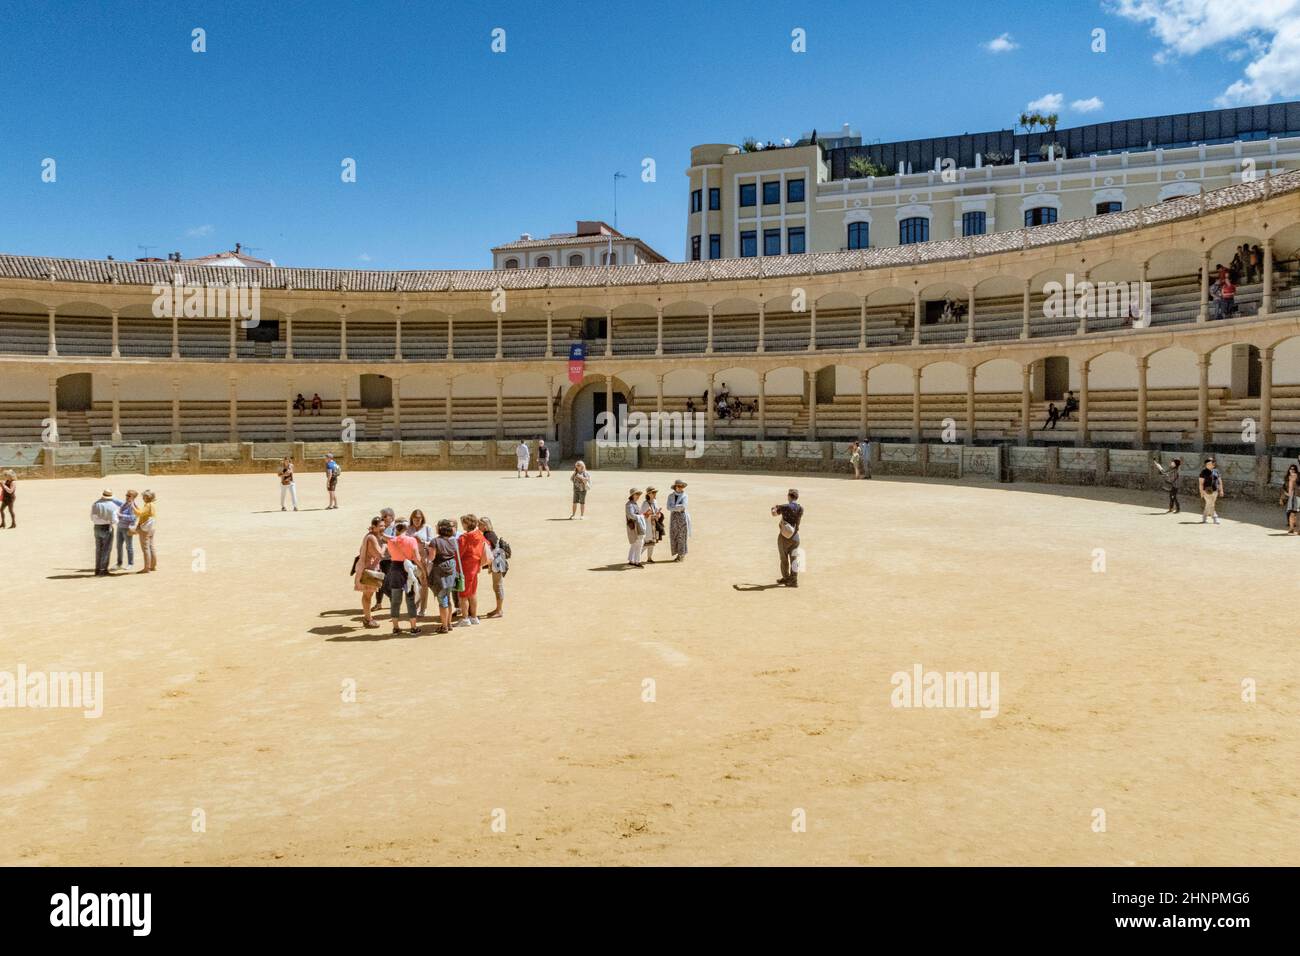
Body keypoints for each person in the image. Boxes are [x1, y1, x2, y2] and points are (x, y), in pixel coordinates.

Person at [383, 519, 422, 636]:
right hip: (408, 569)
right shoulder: (412, 540)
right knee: (410, 599)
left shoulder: (391, 541)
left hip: (395, 569)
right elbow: (416, 557)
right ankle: (413, 627)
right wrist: (422, 569)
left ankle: (395, 628)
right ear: (406, 529)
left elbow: (388, 546)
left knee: (395, 600)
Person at [353, 516, 384, 629]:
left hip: (365, 568)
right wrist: (385, 545)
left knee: (367, 595)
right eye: (380, 526)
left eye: (383, 526)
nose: (383, 528)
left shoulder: (369, 536)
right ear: (374, 527)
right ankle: (368, 619)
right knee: (368, 595)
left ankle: (367, 617)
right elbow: (380, 554)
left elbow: (361, 550)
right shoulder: (372, 538)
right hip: (369, 570)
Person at [429, 519, 460, 634]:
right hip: (451, 571)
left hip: (440, 573)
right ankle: (449, 624)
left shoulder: (435, 541)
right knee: (448, 598)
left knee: (443, 601)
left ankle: (444, 626)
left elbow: (431, 558)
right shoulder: (454, 541)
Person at [478, 516, 510, 618]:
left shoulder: (488, 535)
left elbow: (489, 551)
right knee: (496, 586)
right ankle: (498, 609)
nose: (478, 526)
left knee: (497, 586)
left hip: (497, 563)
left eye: (480, 524)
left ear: (485, 525)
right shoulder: (489, 534)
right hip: (498, 562)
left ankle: (499, 610)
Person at [457, 514, 486, 625]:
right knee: (472, 593)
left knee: (463, 594)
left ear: (467, 524)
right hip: (475, 566)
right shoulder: (479, 534)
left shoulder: (464, 538)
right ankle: (473, 617)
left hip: (465, 567)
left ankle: (465, 618)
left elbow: (459, 553)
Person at [772, 488, 804, 588]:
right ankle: (794, 580)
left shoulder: (784, 507)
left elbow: (774, 514)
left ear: (789, 496)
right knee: (794, 559)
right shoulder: (801, 508)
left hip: (784, 537)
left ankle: (786, 578)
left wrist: (773, 507)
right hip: (795, 536)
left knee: (784, 558)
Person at [408, 510, 434, 614]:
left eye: (419, 518)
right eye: (415, 519)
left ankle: (423, 608)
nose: (417, 521)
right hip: (411, 560)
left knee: (424, 583)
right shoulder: (408, 529)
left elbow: (432, 543)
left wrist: (421, 541)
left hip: (424, 559)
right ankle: (415, 606)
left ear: (422, 518)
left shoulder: (428, 528)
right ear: (412, 519)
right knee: (414, 583)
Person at [90, 489, 119, 576]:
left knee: (99, 549)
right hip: (107, 527)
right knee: (106, 549)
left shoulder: (96, 504)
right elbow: (114, 520)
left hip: (97, 527)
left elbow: (92, 517)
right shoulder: (113, 506)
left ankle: (97, 569)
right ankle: (103, 570)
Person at [133, 489, 158, 572]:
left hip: (145, 529)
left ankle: (146, 568)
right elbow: (142, 513)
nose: (142, 498)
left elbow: (139, 513)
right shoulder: (152, 505)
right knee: (151, 547)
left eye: (144, 496)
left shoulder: (148, 505)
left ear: (147, 497)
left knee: (145, 548)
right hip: (151, 528)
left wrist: (132, 506)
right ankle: (153, 566)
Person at [666, 479, 691, 561]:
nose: (680, 488)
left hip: (682, 517)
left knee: (681, 535)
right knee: (674, 535)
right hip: (673, 517)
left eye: (681, 486)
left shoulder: (685, 495)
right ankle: (678, 554)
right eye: (679, 486)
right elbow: (668, 507)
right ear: (675, 487)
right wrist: (677, 507)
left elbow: (683, 506)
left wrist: (674, 507)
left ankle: (681, 555)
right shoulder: (670, 496)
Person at [113, 489, 138, 570]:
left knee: (129, 547)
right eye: (126, 495)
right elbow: (117, 501)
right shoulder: (125, 503)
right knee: (118, 546)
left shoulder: (133, 506)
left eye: (129, 496)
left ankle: (130, 563)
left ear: (133, 497)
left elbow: (133, 517)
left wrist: (121, 515)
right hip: (120, 527)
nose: (127, 497)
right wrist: (109, 498)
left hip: (127, 528)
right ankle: (119, 563)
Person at [1198, 456, 1224, 525]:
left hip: (1215, 491)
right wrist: (1201, 492)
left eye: (1212, 463)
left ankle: (1204, 517)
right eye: (1209, 463)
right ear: (1206, 464)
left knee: (1210, 504)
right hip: (1206, 491)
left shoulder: (1216, 471)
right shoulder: (1203, 472)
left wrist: (1221, 490)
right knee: (1211, 504)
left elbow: (1220, 481)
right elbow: (1201, 483)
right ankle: (1215, 518)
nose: (1211, 464)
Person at [641, 487, 664, 563]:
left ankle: (649, 558)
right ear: (649, 494)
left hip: (654, 525)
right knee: (646, 543)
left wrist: (658, 515)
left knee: (652, 542)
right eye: (653, 492)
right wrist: (652, 516)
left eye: (655, 492)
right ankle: (636, 559)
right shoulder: (645, 503)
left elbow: (657, 511)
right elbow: (642, 515)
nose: (654, 494)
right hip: (647, 525)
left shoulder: (655, 501)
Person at [625, 488, 647, 568]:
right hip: (635, 526)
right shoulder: (629, 504)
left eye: (638, 494)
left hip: (636, 525)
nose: (638, 496)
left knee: (635, 543)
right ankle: (637, 561)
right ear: (632, 495)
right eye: (636, 494)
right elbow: (631, 515)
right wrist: (641, 516)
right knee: (639, 543)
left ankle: (631, 560)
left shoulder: (633, 503)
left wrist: (642, 515)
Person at [1280, 464, 1300, 535]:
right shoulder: (1286, 478)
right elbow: (1283, 487)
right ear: (1289, 470)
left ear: (1296, 470)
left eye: (1294, 469)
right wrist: (1284, 494)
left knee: (1297, 513)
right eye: (1291, 469)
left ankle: (1299, 530)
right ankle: (1291, 528)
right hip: (1290, 497)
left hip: (1298, 496)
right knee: (1291, 513)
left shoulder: (1298, 477)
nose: (1292, 470)